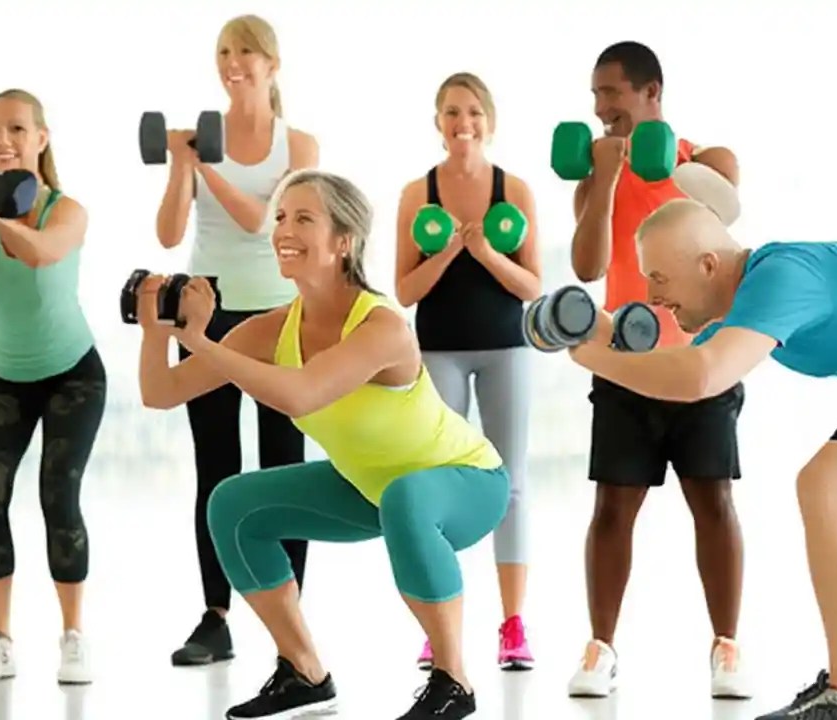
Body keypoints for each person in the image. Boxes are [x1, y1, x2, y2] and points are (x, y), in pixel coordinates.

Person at [570, 197, 837, 720]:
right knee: (825, 486)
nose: (653, 295)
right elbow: (682, 368)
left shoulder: (782, 276)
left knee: (824, 485)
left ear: (708, 264)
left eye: (659, 277)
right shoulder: (745, 310)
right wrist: (600, 335)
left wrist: (592, 359)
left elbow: (705, 376)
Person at [139, 170, 507, 720]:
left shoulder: (382, 326)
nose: (284, 228)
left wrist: (199, 340)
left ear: (344, 242)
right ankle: (303, 670)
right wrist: (156, 329)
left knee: (407, 497)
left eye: (304, 218)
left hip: (466, 483)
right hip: (370, 488)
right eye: (282, 217)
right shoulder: (272, 330)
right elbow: (161, 392)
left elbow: (301, 394)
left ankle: (454, 680)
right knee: (234, 505)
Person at [567, 40, 750, 699]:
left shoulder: (707, 162)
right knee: (613, 505)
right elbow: (587, 268)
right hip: (626, 362)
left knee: (713, 499)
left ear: (651, 93)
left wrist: (661, 166)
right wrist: (607, 179)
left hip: (701, 360)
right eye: (594, 96)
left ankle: (727, 646)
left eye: (611, 94)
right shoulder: (594, 172)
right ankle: (601, 648)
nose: (600, 108)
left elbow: (720, 238)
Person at [153, 13, 320, 667]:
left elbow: (261, 221)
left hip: (281, 320)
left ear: (271, 65)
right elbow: (169, 235)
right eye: (224, 52)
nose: (233, 63)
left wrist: (206, 165)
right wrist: (179, 166)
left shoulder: (298, 145)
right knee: (216, 472)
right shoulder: (199, 141)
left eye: (246, 53)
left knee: (284, 470)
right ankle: (215, 615)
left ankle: (289, 625)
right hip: (207, 316)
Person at [0, 89, 105, 686]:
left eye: (15, 128)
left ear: (42, 137)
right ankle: (0, 638)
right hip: (3, 373)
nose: (2, 140)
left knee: (57, 495)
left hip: (72, 372)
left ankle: (73, 637)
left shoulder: (67, 209)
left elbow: (39, 254)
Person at [395, 72, 541, 672]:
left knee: (509, 483)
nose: (464, 123)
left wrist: (485, 253)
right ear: (437, 122)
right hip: (439, 352)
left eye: (474, 112)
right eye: (453, 112)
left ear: (490, 121)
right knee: (440, 486)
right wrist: (453, 251)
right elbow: (405, 290)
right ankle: (442, 623)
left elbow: (534, 286)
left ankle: (512, 625)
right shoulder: (417, 193)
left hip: (506, 348)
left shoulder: (515, 190)